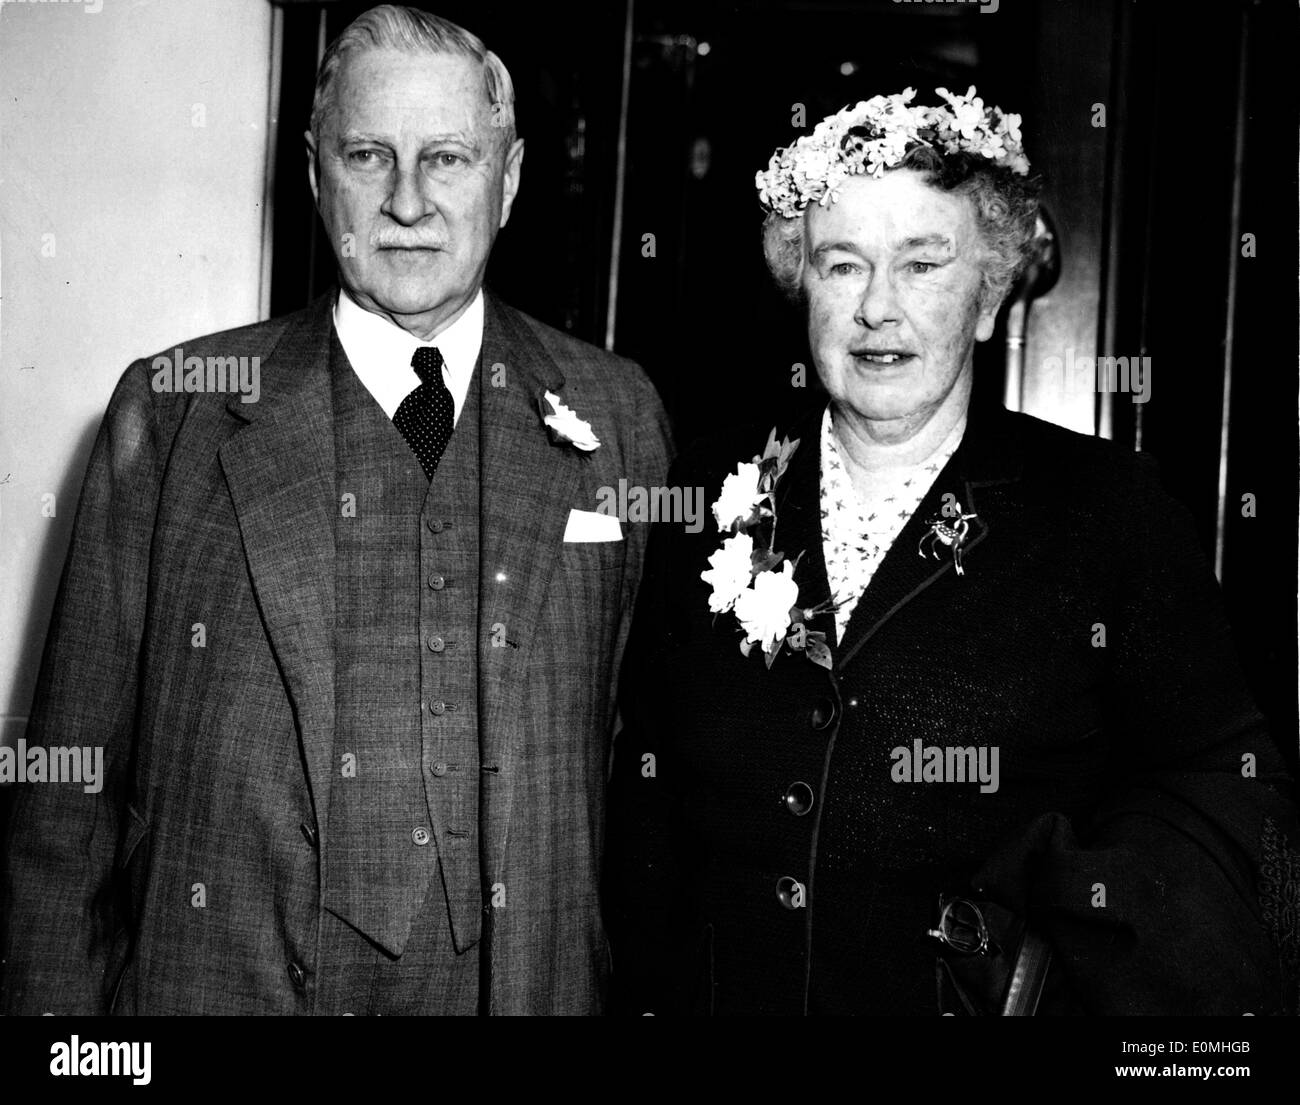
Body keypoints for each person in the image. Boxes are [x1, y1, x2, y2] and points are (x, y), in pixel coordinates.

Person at [2, 4, 671, 1015]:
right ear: (316, 173)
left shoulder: (616, 414)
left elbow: (642, 764)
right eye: (369, 155)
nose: (407, 200)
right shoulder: (178, 410)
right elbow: (66, 795)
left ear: (512, 176)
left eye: (447, 158)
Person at [606, 87, 1298, 1015]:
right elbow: (642, 795)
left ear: (986, 296)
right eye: (843, 265)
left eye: (922, 264)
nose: (877, 310)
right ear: (800, 284)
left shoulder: (1108, 514)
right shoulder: (706, 493)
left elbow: (1226, 794)